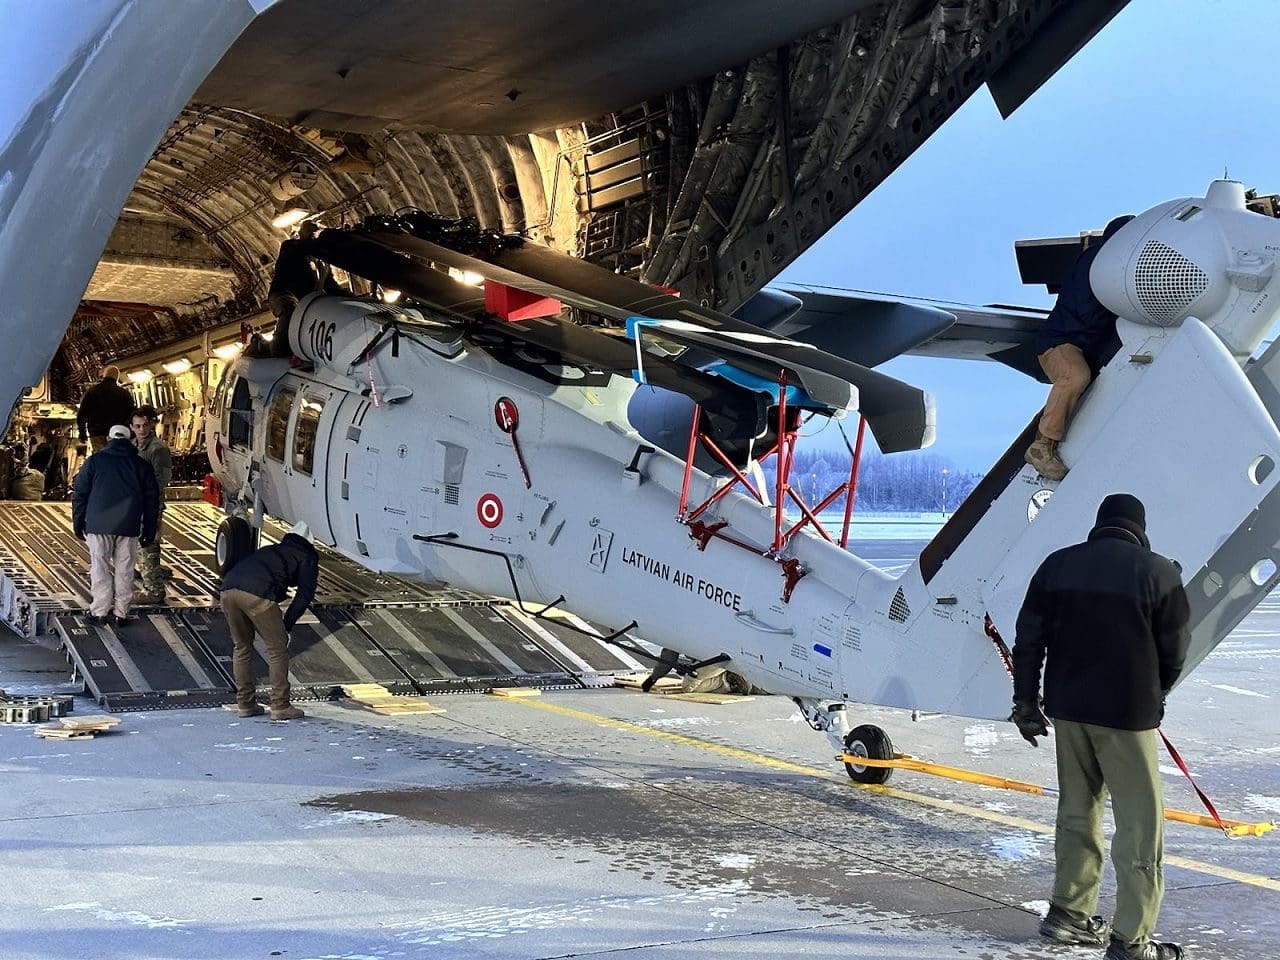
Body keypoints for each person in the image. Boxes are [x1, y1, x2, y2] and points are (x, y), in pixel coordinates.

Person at [1011, 493, 1190, 960]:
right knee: (1139, 827)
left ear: (1100, 524)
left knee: (1077, 810)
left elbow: (1028, 639)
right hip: (1127, 716)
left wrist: (1025, 700)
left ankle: (1068, 914)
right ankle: (1132, 941)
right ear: (1139, 528)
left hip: (1069, 710)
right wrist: (1156, 691)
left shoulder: (1057, 565)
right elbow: (1175, 651)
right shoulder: (1158, 572)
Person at [1025, 215, 1136, 481]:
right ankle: (1042, 446)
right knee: (1075, 376)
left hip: (1083, 345)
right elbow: (1092, 311)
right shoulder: (1098, 265)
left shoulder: (1108, 265)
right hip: (1060, 343)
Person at [219, 520, 319, 720]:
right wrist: (287, 625)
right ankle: (281, 706)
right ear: (310, 543)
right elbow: (305, 595)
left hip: (228, 590)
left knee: (241, 647)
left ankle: (245, 704)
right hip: (257, 595)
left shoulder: (273, 550)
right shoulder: (307, 556)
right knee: (277, 649)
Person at [71, 424, 160, 626]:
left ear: (109, 439)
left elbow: (80, 494)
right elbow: (152, 501)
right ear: (129, 440)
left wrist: (78, 521)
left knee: (100, 567)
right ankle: (121, 613)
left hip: (98, 524)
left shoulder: (94, 461)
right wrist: (149, 529)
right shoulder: (141, 465)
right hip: (128, 525)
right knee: (125, 569)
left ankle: (99, 611)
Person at [265, 220, 343, 357]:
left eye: (315, 230)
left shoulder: (322, 263)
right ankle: (278, 350)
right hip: (282, 294)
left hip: (308, 301)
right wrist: (326, 241)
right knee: (290, 310)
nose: (312, 232)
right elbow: (303, 247)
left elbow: (331, 286)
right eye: (309, 229)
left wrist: (351, 297)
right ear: (300, 233)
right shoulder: (290, 246)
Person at [130, 405, 172, 603]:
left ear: (152, 425)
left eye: (145, 425)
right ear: (131, 427)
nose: (142, 430)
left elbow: (161, 479)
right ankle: (144, 571)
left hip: (149, 504)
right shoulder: (133, 446)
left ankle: (154, 589)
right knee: (139, 544)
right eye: (137, 426)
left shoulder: (158, 449)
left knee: (148, 545)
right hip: (135, 503)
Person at [76, 366, 136, 453]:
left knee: (101, 457)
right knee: (116, 457)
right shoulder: (124, 394)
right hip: (117, 433)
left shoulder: (92, 392)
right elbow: (132, 415)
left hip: (97, 434)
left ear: (104, 375)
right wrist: (131, 433)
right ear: (117, 378)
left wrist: (82, 433)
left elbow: (81, 414)